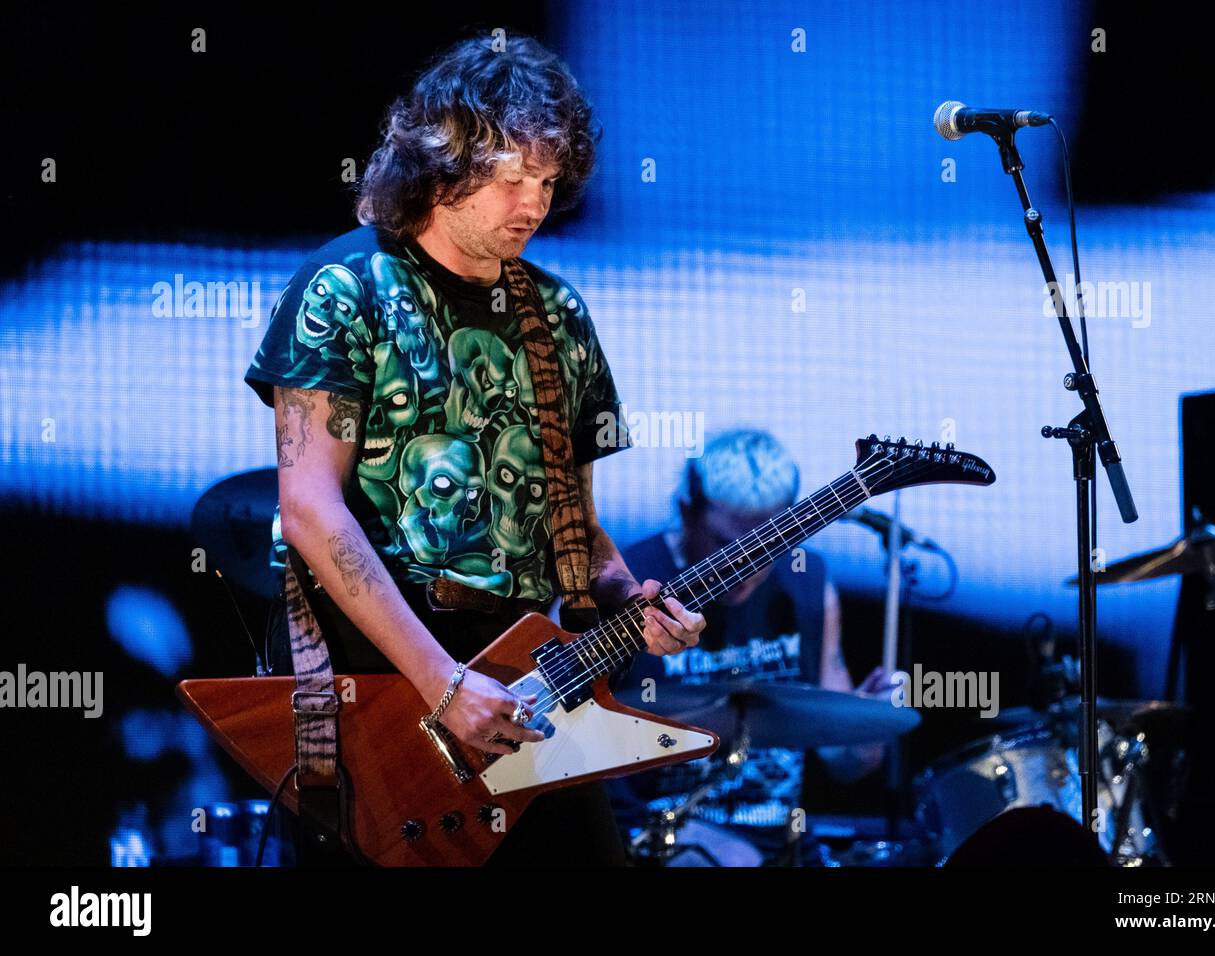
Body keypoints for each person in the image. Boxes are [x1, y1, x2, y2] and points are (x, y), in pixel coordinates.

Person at [245, 32, 704, 866]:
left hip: (529, 685)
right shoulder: (344, 289)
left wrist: (630, 601)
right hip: (385, 675)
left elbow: (577, 532)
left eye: (548, 180)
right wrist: (441, 682)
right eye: (511, 178)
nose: (533, 202)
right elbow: (310, 509)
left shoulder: (559, 315)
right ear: (443, 168)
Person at [610, 429, 898, 864]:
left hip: (778, 840)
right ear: (687, 512)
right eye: (727, 546)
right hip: (653, 836)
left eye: (768, 545)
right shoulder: (630, 585)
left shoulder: (810, 586)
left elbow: (843, 761)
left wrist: (869, 732)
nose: (746, 568)